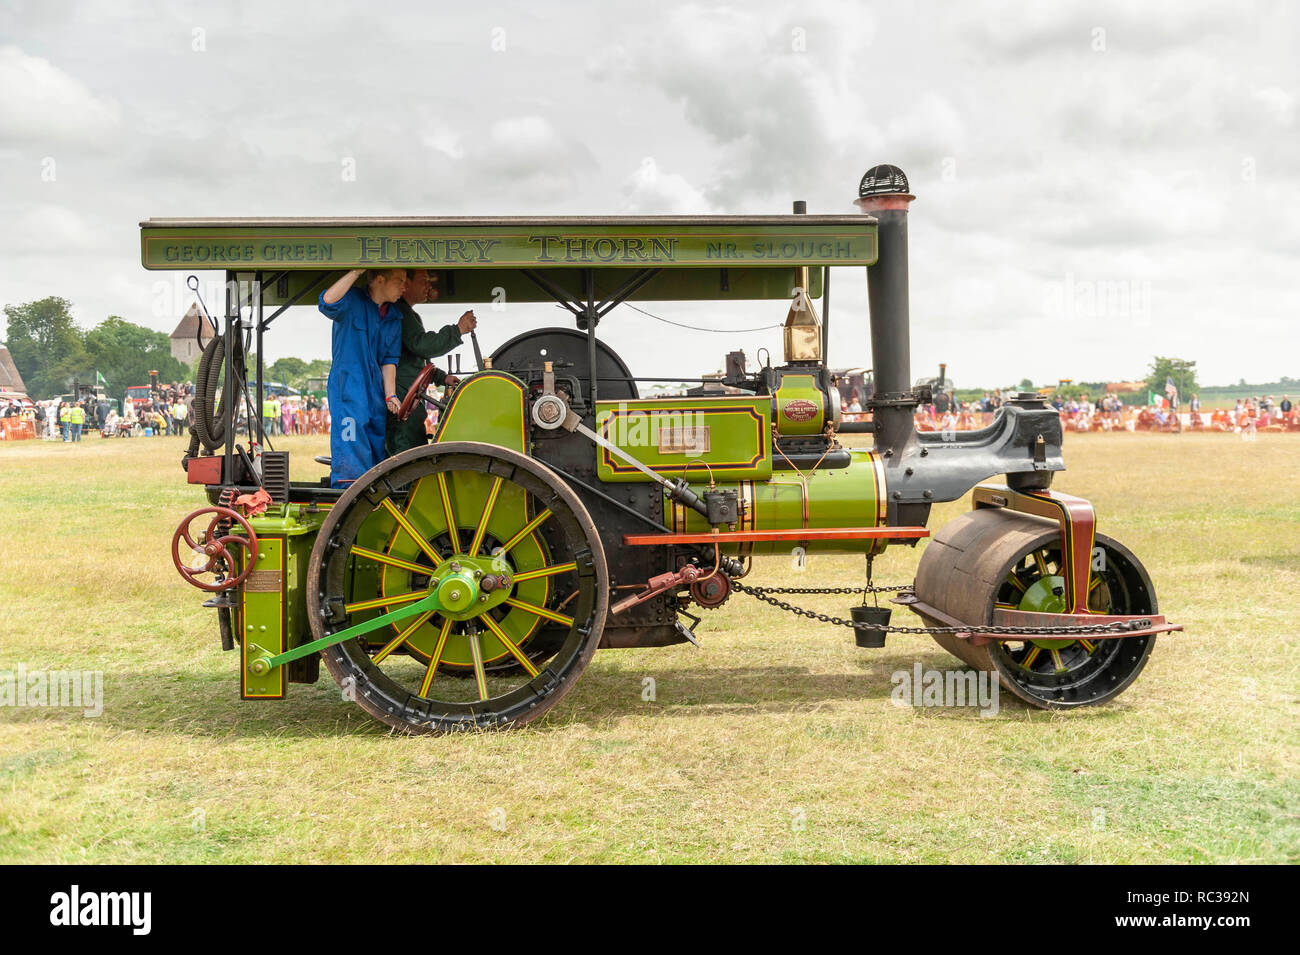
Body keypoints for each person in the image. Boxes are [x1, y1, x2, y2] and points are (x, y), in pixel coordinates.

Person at [319, 268, 405, 487]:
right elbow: (327, 302)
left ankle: (371, 497)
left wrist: (390, 395)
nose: (404, 287)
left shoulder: (394, 316)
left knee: (375, 449)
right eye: (399, 281)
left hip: (375, 394)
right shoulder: (351, 300)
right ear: (379, 279)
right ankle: (347, 496)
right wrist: (356, 270)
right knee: (351, 449)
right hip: (349, 388)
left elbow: (389, 360)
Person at [385, 269, 476, 456]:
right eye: (424, 281)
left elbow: (418, 361)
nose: (429, 286)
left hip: (409, 401)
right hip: (402, 402)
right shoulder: (399, 312)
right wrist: (457, 330)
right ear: (406, 284)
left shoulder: (409, 314)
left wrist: (442, 377)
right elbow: (422, 346)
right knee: (404, 455)